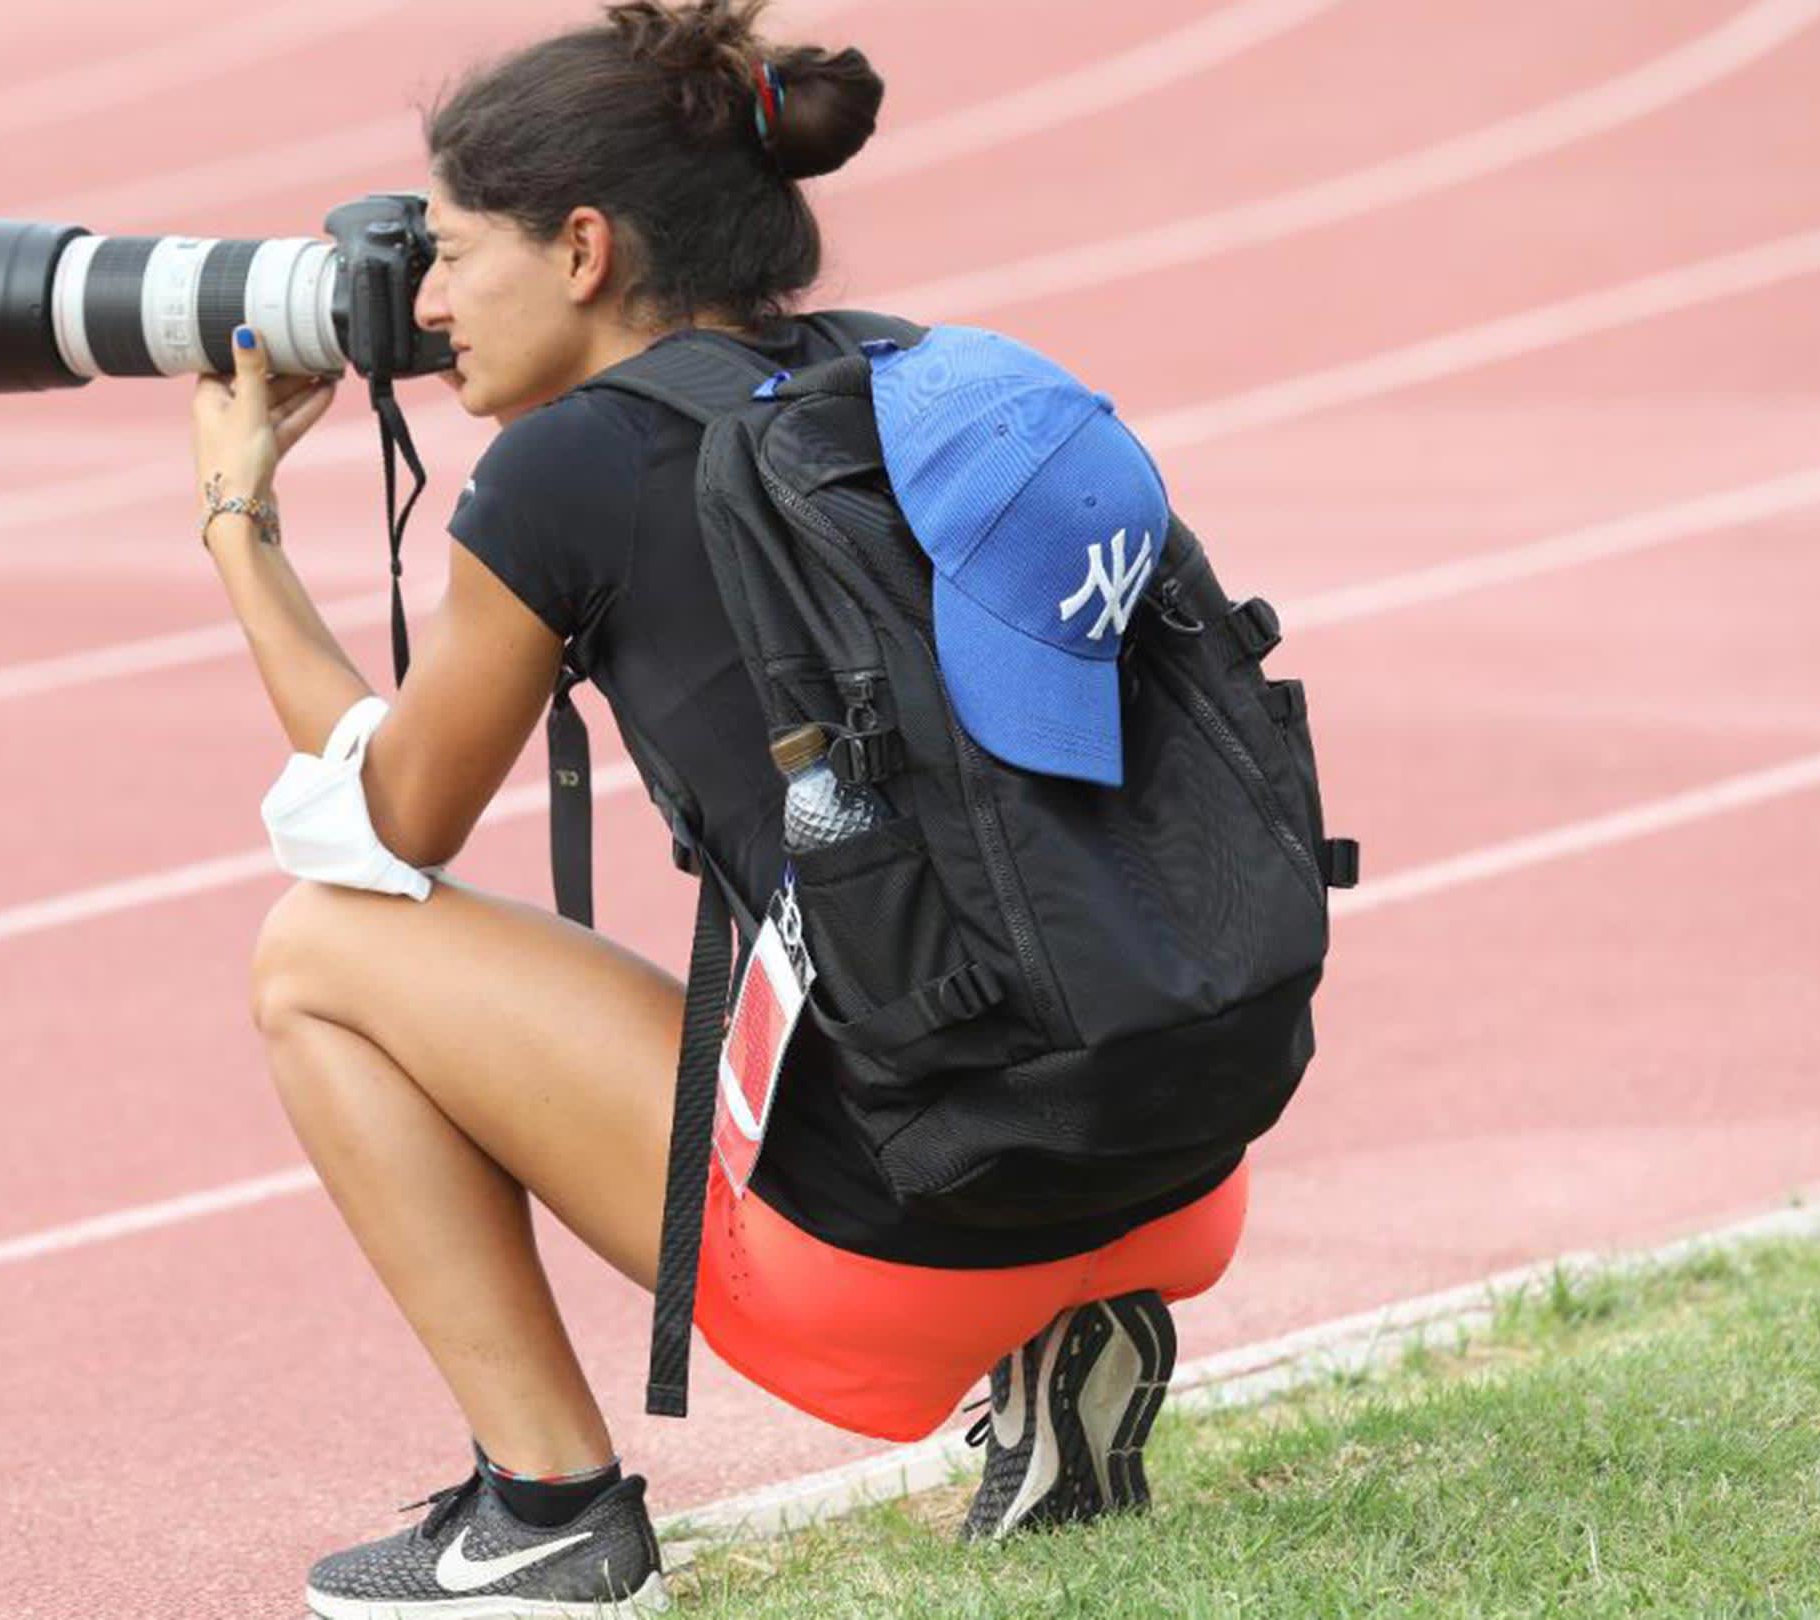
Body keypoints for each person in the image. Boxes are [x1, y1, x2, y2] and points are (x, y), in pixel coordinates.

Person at [195, 2, 1252, 1612]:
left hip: (887, 1267)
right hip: (1181, 1162)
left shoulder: (572, 471)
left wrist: (236, 523)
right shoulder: (912, 374)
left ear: (585, 249)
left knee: (315, 954)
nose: (426, 304)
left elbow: (387, 831)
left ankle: (545, 1507)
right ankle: (1056, 1329)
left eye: (457, 253)